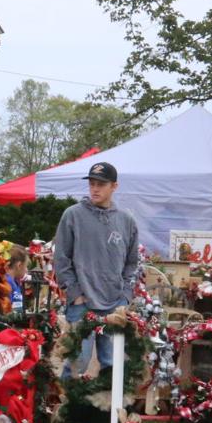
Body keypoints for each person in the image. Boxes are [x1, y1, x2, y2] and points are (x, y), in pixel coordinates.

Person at [52, 161, 139, 376]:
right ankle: (66, 399)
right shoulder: (73, 215)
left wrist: (125, 296)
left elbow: (132, 263)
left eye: (101, 184)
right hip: (82, 304)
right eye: (92, 183)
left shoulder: (126, 221)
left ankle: (105, 399)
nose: (95, 189)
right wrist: (75, 294)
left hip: (114, 304)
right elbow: (61, 258)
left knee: (111, 363)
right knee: (77, 363)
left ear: (114, 186)